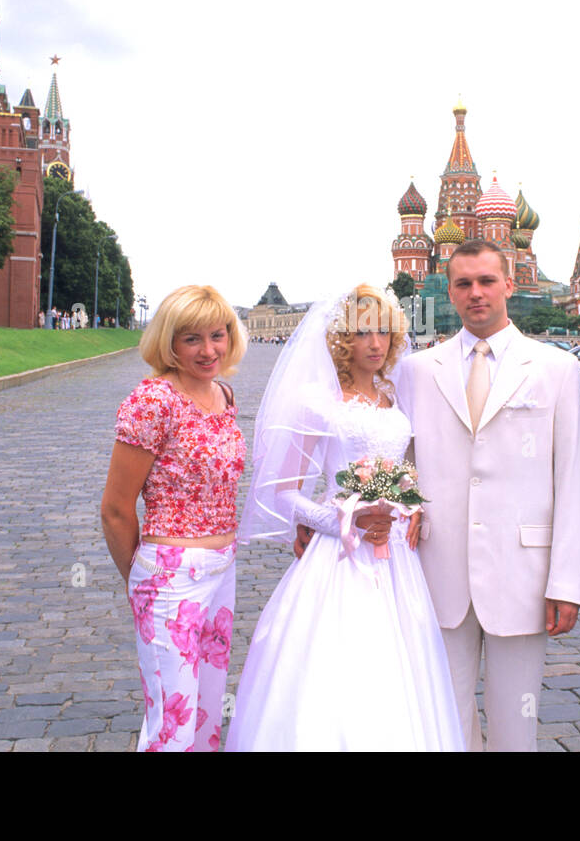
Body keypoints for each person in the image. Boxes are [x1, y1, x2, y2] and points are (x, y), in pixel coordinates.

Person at [337, 240, 580, 751]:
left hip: (525, 573)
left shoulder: (555, 368)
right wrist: (352, 508)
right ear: (450, 291)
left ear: (509, 284)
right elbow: (392, 457)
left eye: (486, 281)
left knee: (516, 720)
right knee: (440, 718)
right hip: (434, 569)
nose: (476, 293)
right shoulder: (416, 371)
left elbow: (575, 479)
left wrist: (567, 582)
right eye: (463, 283)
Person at [230, 285, 462, 750]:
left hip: (397, 556)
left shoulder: (395, 397)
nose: (375, 343)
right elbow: (281, 493)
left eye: (383, 331)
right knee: (337, 666)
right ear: (341, 339)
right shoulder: (320, 403)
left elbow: (405, 467)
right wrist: (342, 518)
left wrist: (408, 505)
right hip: (342, 552)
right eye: (361, 333)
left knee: (402, 666)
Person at [99, 285, 247, 751]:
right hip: (170, 579)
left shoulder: (222, 394)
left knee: (205, 717)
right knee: (172, 724)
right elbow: (116, 509)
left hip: (223, 570)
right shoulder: (153, 401)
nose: (209, 351)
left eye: (217, 336)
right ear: (168, 343)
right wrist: (144, 581)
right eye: (192, 339)